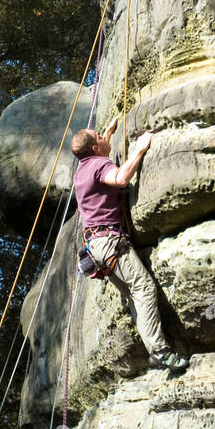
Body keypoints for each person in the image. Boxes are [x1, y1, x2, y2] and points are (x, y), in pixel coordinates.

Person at [71, 117, 187, 375]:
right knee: (144, 287)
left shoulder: (82, 169)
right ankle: (159, 351)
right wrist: (140, 149)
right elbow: (121, 178)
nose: (104, 135)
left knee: (134, 295)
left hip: (95, 247)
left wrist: (109, 133)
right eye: (99, 136)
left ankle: (155, 350)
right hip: (111, 242)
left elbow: (97, 154)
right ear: (94, 149)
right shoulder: (100, 164)